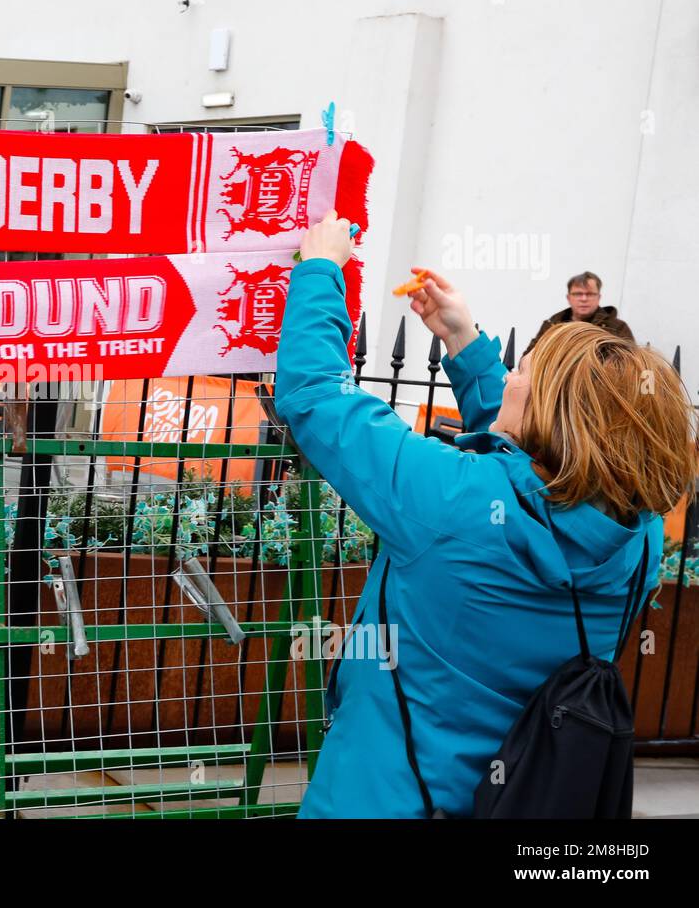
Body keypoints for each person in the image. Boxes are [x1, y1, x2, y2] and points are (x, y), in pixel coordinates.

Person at [274, 211, 697, 818]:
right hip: (524, 799)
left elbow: (315, 396)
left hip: (383, 796)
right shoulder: (640, 538)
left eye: (521, 370)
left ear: (544, 412)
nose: (512, 376)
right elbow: (546, 457)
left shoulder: (449, 499)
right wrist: (463, 341)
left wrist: (318, 268)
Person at [522, 271, 634, 359]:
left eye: (589, 294)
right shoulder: (551, 325)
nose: (583, 299)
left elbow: (631, 363)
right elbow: (527, 359)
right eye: (578, 294)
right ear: (569, 298)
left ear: (598, 297)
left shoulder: (617, 327)